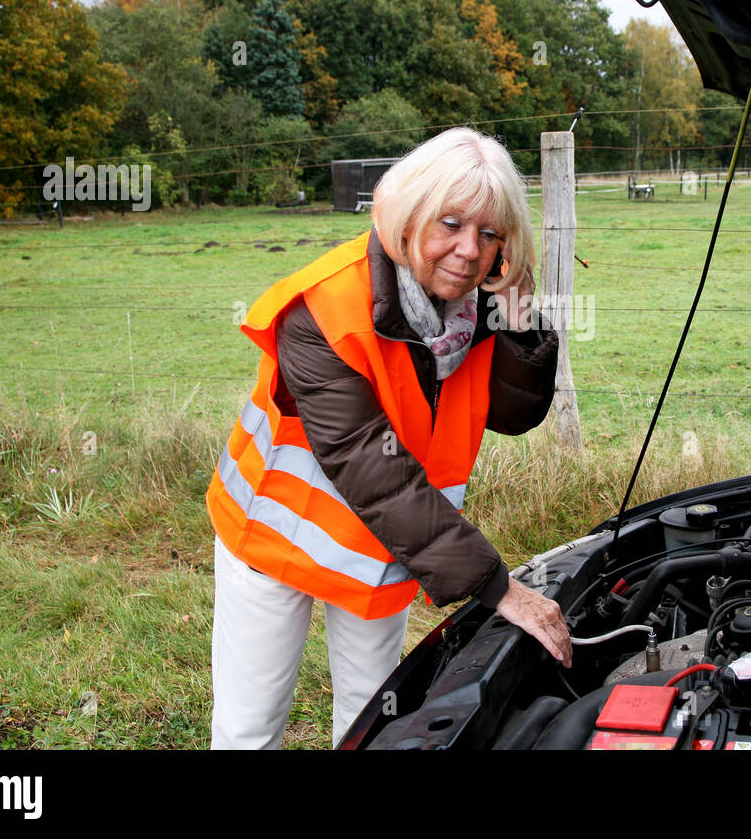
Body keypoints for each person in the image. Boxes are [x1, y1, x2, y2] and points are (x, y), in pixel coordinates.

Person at [207, 127, 572, 749]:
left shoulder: (479, 304)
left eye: (489, 234)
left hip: (380, 548)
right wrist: (495, 586)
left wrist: (518, 319)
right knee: (250, 726)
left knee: (370, 716)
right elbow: (367, 464)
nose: (467, 251)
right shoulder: (322, 308)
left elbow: (512, 415)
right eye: (450, 223)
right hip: (273, 537)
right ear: (408, 216)